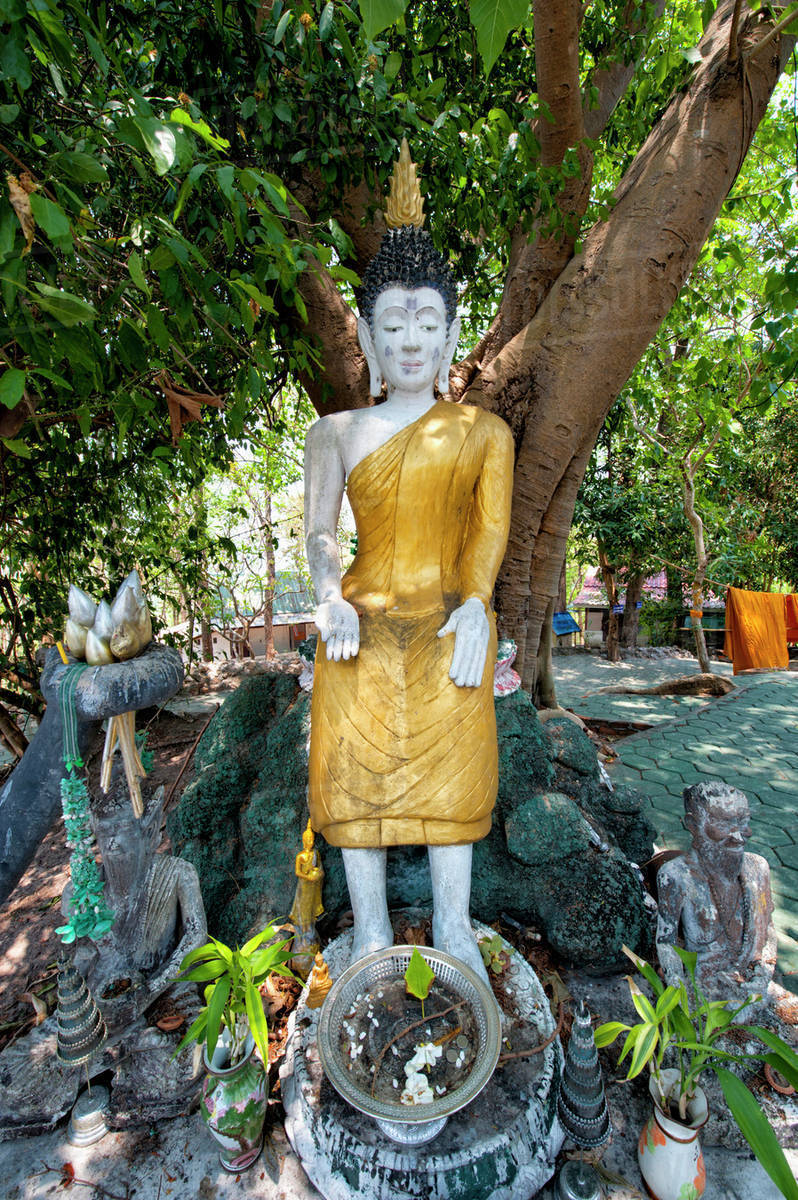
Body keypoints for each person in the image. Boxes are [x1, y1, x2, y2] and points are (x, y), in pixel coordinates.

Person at [304, 217, 514, 982]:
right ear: (365, 334)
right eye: (393, 323)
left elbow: (487, 535)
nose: (411, 340)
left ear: (453, 334)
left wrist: (477, 604)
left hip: (444, 613)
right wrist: (329, 597)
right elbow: (321, 535)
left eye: (428, 323)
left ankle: (454, 923)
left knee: (458, 708)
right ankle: (370, 930)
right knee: (349, 739)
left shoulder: (483, 433)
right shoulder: (334, 432)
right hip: (360, 617)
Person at [656, 781, 776, 1017]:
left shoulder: (758, 869)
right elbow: (665, 942)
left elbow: (769, 932)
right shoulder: (676, 876)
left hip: (752, 988)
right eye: (724, 823)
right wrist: (681, 991)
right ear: (692, 824)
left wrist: (763, 972)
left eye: (744, 822)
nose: (739, 836)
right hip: (704, 994)